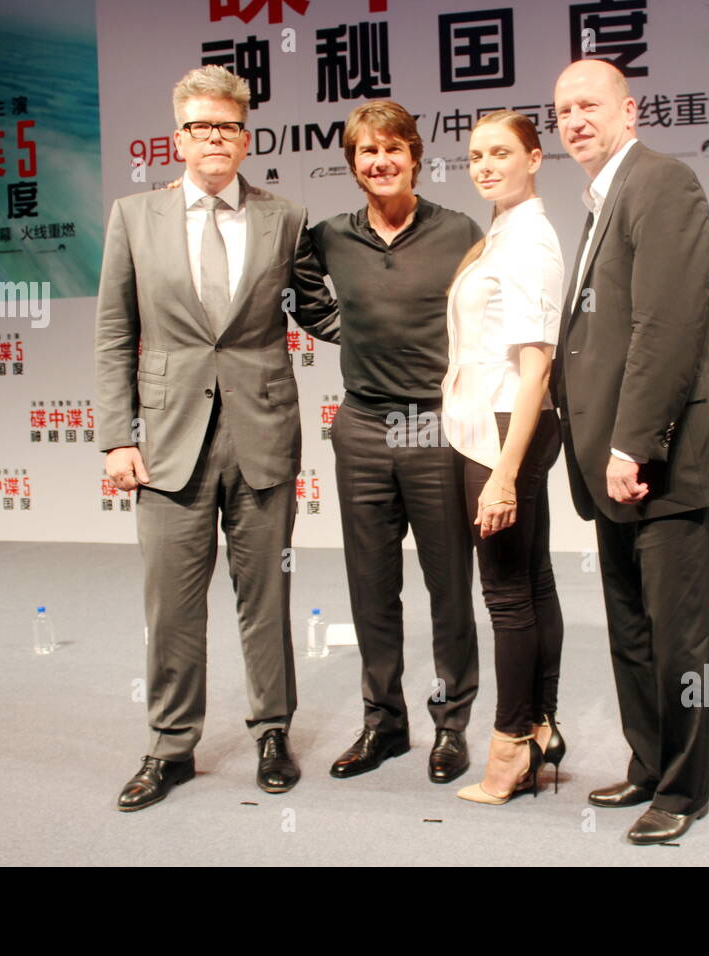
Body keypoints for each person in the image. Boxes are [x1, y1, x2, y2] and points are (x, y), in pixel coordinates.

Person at [95, 65, 339, 810]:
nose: (214, 138)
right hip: (167, 441)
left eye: (227, 126)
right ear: (179, 137)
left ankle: (272, 731)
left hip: (261, 434)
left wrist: (413, 318)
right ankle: (170, 748)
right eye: (201, 126)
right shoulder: (134, 217)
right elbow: (114, 334)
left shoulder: (285, 217)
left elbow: (319, 313)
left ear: (245, 136)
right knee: (172, 603)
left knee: (266, 597)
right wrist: (115, 438)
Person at [552, 59, 709, 844]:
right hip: (614, 458)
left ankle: (683, 788)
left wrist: (634, 442)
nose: (574, 120)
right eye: (562, 109)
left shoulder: (662, 183)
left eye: (589, 104)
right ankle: (646, 761)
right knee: (630, 624)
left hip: (665, 455)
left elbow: (667, 327)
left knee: (677, 632)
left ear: (628, 111)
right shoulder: (602, 200)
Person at [310, 102, 485, 784]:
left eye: (391, 149)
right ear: (352, 164)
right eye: (364, 152)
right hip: (361, 425)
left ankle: (450, 726)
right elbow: (298, 293)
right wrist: (350, 330)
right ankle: (383, 723)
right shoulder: (329, 237)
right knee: (371, 588)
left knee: (448, 584)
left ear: (415, 154)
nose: (378, 162)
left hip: (434, 425)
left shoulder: (459, 231)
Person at [440, 111, 567, 805]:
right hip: (490, 420)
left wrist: (505, 474)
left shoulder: (529, 242)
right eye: (476, 155)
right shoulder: (504, 234)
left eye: (500, 153)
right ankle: (539, 727)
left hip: (501, 428)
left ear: (535, 158)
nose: (485, 165)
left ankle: (510, 745)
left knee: (507, 595)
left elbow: (536, 366)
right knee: (532, 581)